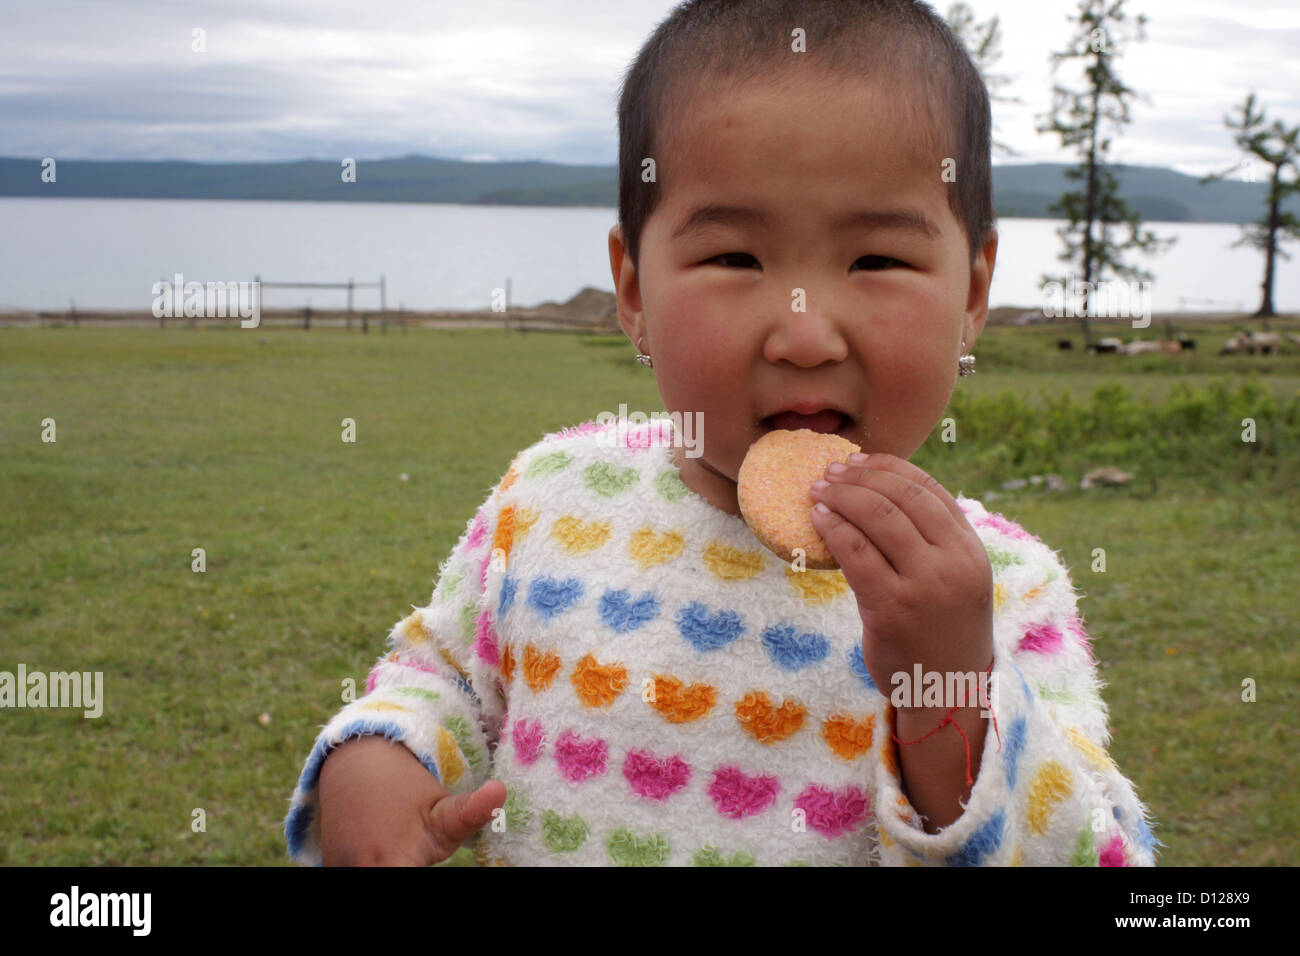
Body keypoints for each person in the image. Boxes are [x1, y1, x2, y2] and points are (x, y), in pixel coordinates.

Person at [284, 0, 1159, 866]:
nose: (806, 335)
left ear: (972, 297)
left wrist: (950, 690)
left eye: (878, 260)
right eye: (736, 259)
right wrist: (378, 754)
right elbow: (442, 677)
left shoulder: (1001, 593)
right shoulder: (549, 499)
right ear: (633, 290)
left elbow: (1103, 858)